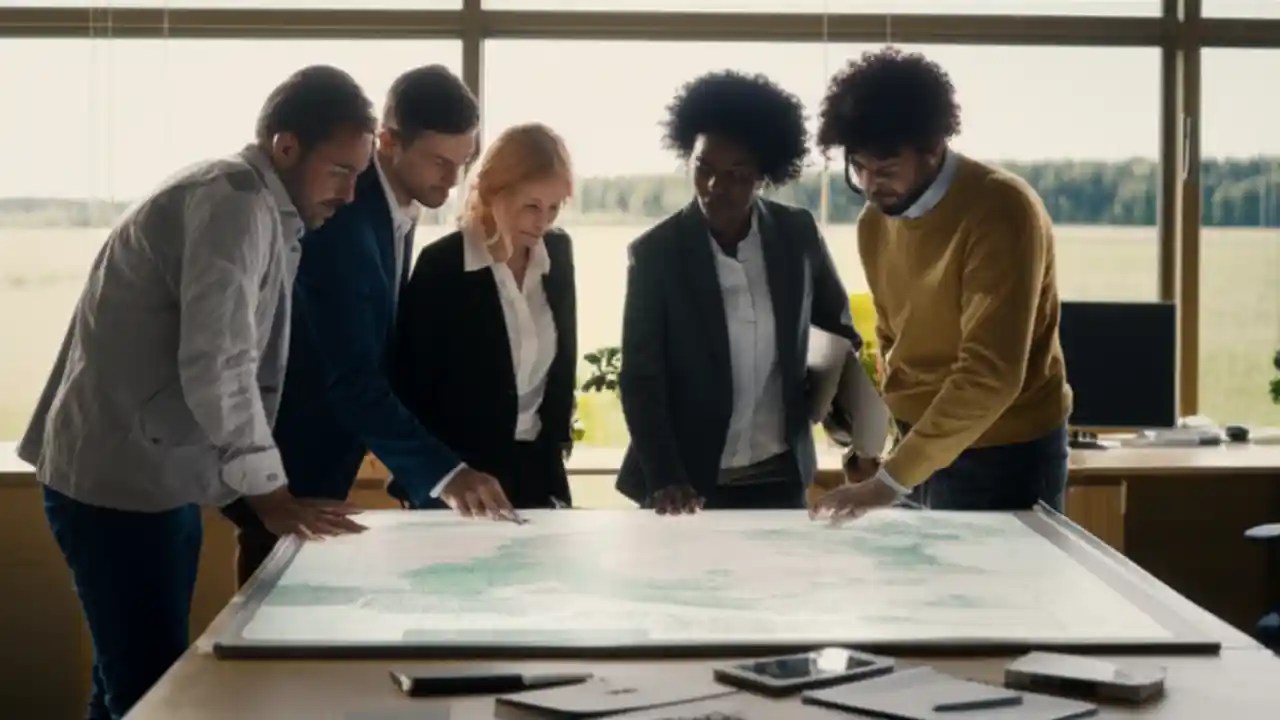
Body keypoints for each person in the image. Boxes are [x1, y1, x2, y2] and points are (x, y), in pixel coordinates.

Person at [16, 65, 376, 719]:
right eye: (341, 172)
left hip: (151, 478)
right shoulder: (233, 202)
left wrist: (261, 491)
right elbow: (220, 365)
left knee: (131, 683)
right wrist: (269, 496)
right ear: (286, 147)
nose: (351, 195)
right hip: (118, 487)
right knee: (153, 694)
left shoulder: (259, 206)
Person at [219, 65, 518, 587]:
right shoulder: (347, 220)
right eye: (439, 162)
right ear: (388, 142)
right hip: (288, 465)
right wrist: (445, 474)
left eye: (462, 163)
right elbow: (350, 374)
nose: (451, 180)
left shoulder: (395, 208)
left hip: (324, 462)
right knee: (267, 626)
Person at [808, 47, 1072, 522]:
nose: (870, 184)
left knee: (993, 598)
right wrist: (876, 444)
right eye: (859, 167)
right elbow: (895, 343)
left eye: (885, 169)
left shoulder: (1001, 210)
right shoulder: (875, 222)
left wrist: (891, 481)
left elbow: (990, 374)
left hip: (1002, 451)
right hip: (913, 448)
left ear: (933, 146)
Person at [616, 70, 861, 514]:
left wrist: (850, 424)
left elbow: (838, 330)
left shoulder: (797, 234)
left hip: (779, 475)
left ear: (764, 174)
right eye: (703, 168)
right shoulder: (655, 254)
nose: (715, 186)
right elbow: (640, 379)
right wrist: (666, 477)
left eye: (736, 173)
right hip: (685, 485)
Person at [394, 122, 577, 510]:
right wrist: (435, 482)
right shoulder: (442, 266)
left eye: (554, 207)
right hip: (460, 484)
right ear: (494, 192)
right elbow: (410, 390)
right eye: (532, 205)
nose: (543, 221)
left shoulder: (558, 254)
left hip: (538, 475)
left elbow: (560, 369)